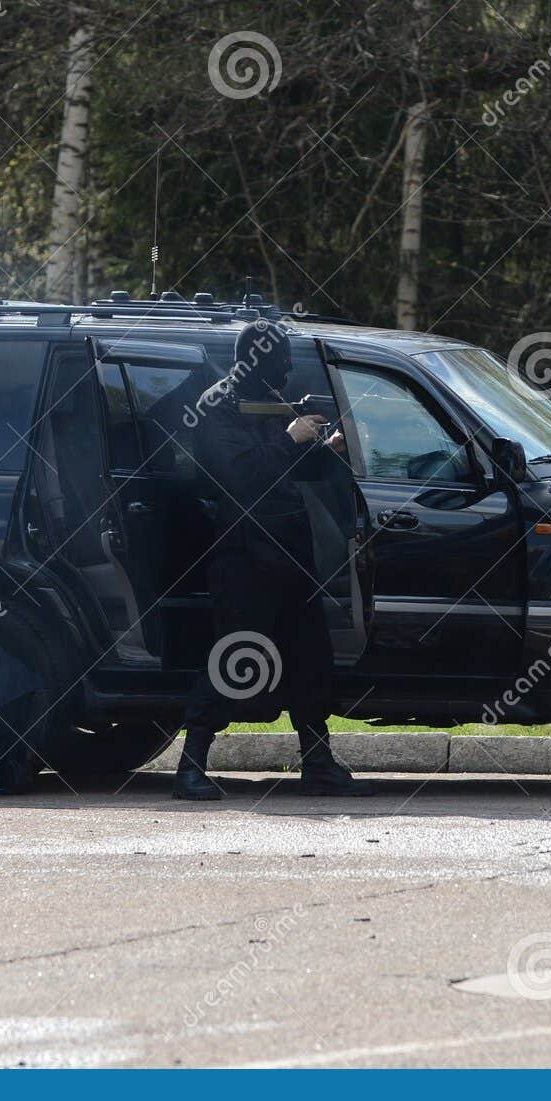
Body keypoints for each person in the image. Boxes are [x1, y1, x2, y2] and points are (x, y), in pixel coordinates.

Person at [174, 320, 375, 800]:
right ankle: (190, 765)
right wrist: (289, 437)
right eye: (279, 363)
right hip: (244, 559)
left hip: (288, 554)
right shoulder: (219, 405)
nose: (286, 372)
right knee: (234, 658)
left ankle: (318, 762)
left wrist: (324, 449)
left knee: (309, 660)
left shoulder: (263, 401)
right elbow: (241, 474)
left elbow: (282, 473)